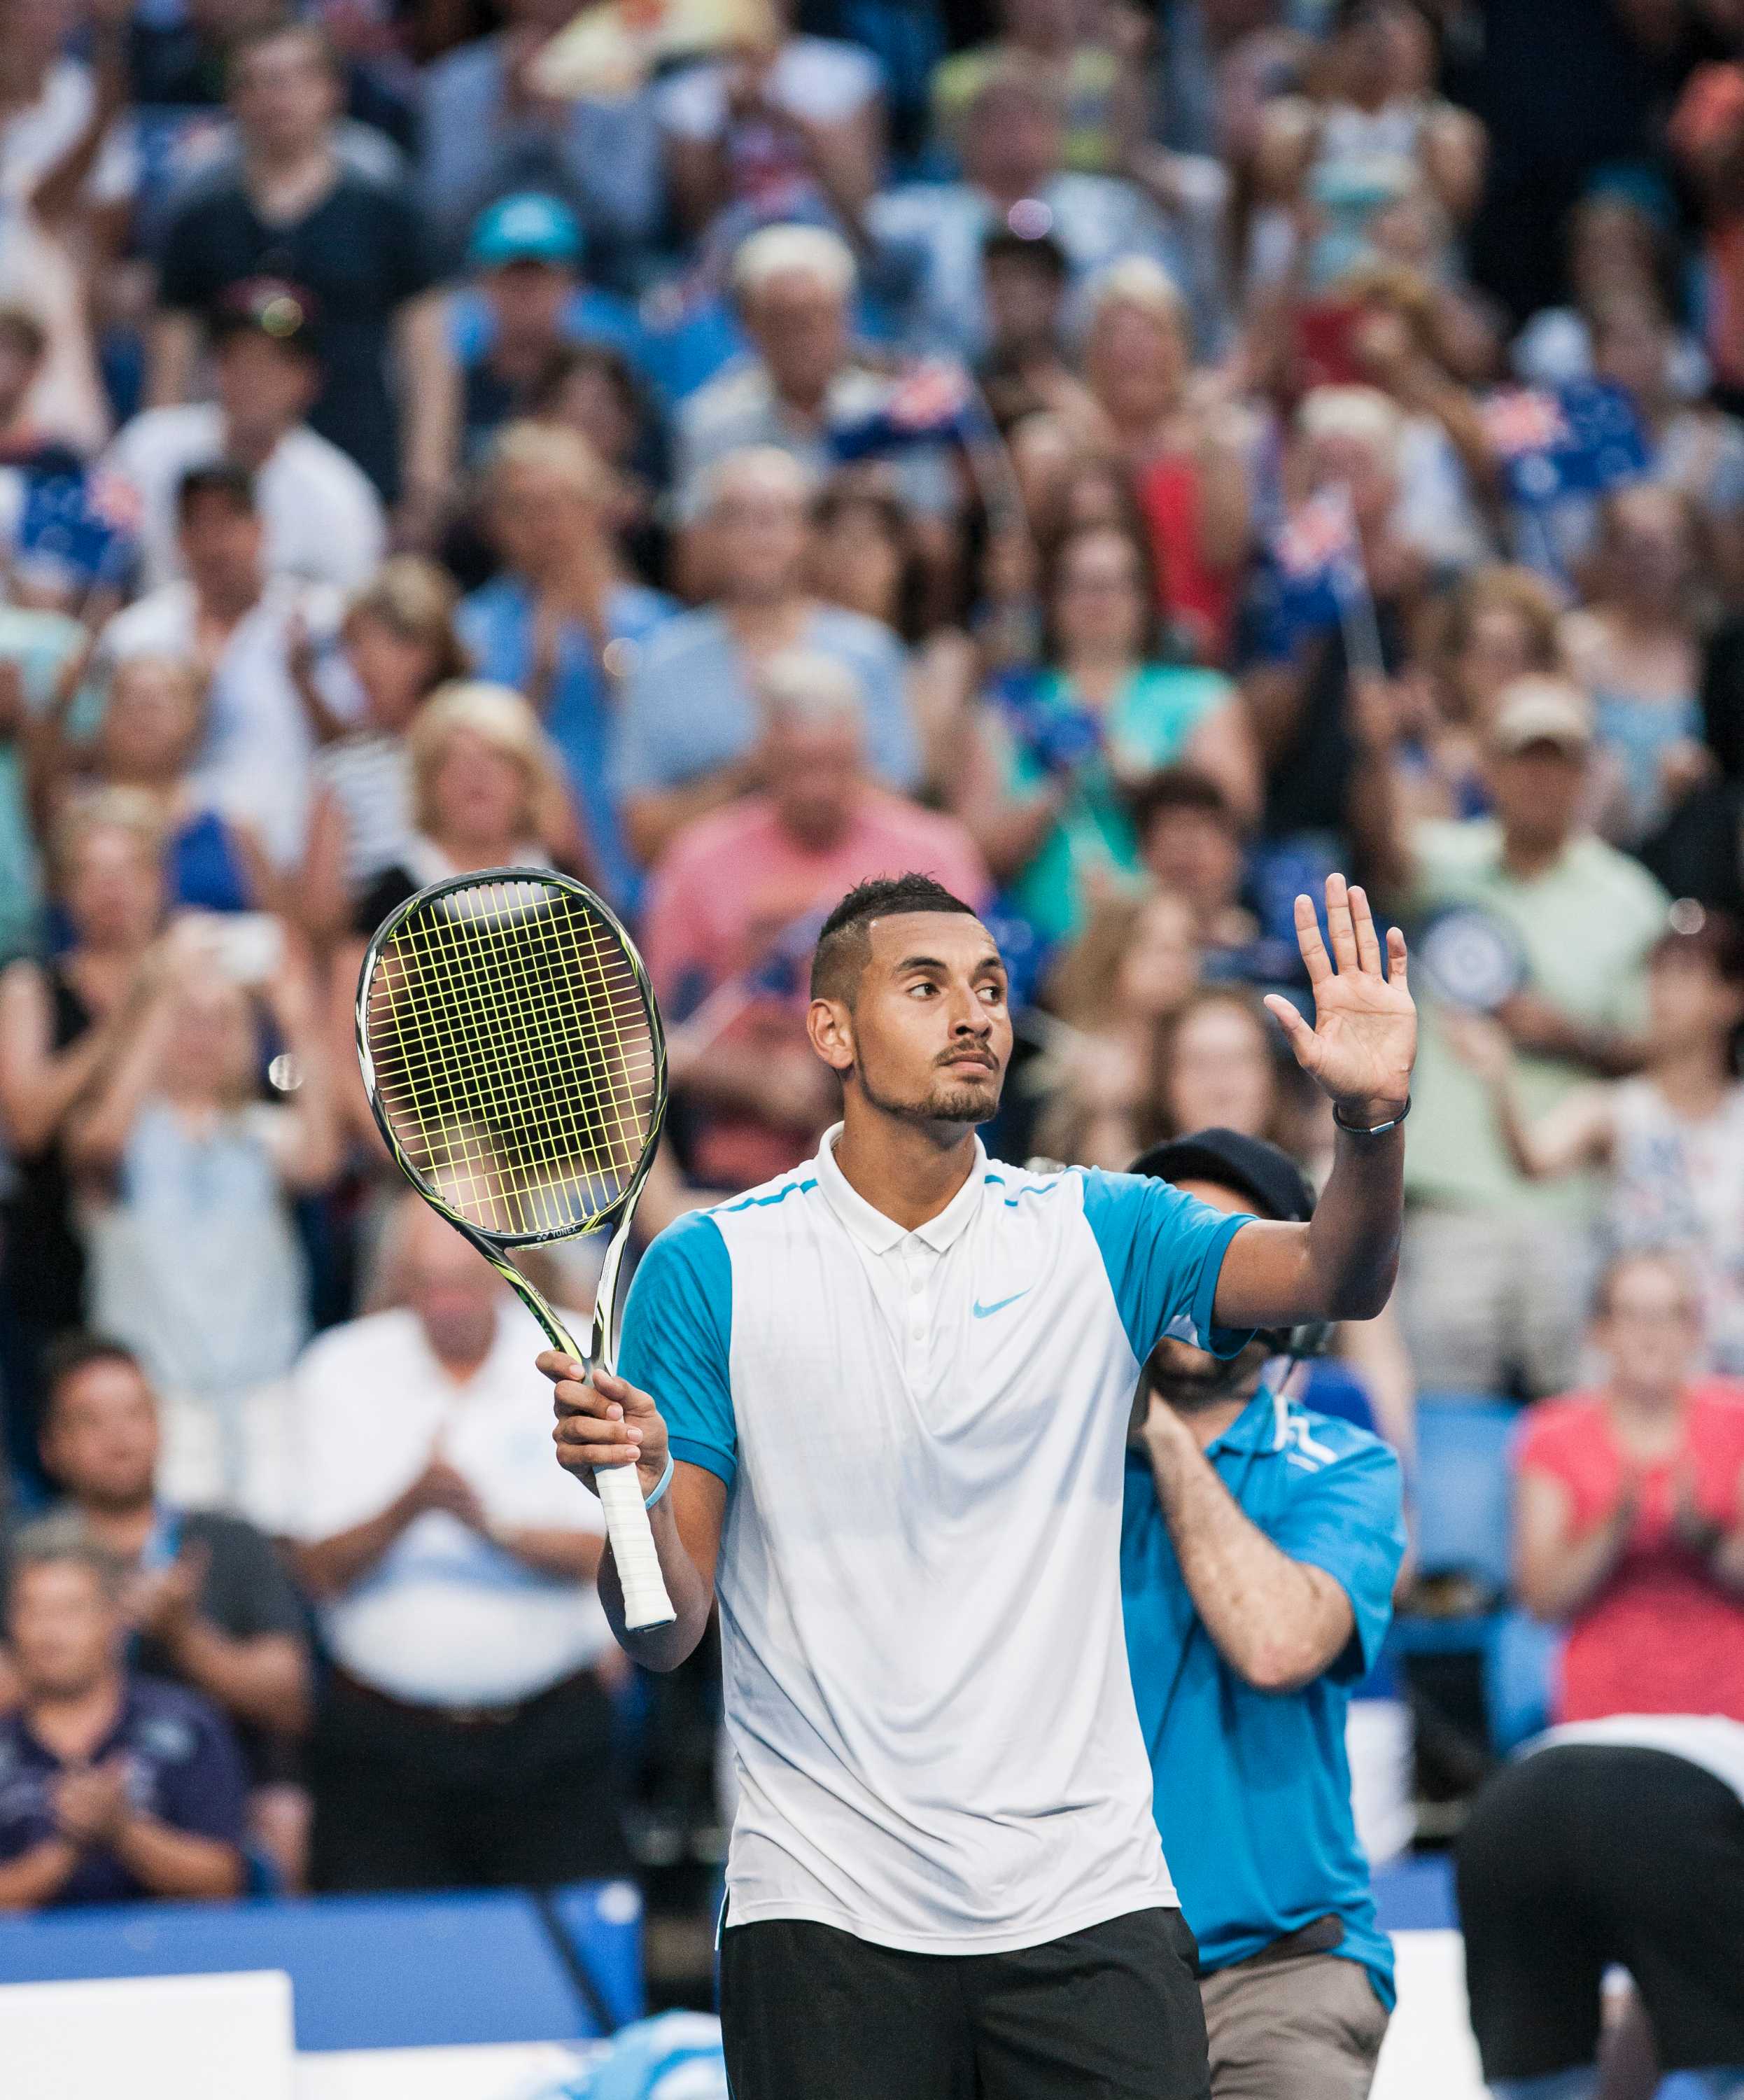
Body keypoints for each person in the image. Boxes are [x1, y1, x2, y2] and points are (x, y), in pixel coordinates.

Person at [542, 866, 1418, 2099]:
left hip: (1089, 1898)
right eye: (925, 985)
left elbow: (1339, 1274)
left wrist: (1369, 1125)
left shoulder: (1102, 1230)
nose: (975, 1014)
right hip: (823, 1904)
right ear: (831, 1030)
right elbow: (661, 1634)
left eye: (993, 987)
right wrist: (632, 1503)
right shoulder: (712, 1268)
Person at [1122, 1128, 1407, 2100]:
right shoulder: (1042, 1470)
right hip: (1071, 1971)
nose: (1196, 1281)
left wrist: (1158, 1433)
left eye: (1230, 1253)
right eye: (1175, 1251)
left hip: (1285, 1973)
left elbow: (1279, 1642)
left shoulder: (1346, 1465)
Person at [284, 1196, 624, 1893]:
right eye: (424, 1283)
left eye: (460, 1282)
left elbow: (614, 1548)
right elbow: (314, 1567)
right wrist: (408, 1506)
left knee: (571, 1971)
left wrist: (489, 1527)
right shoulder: (339, 1370)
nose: (443, 1303)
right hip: (384, 1743)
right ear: (397, 1281)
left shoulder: (574, 1356)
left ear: (503, 1270)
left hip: (551, 1736)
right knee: (383, 1973)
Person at [1382, 676, 1670, 1397]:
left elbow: (1660, 1049)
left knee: (1578, 1416)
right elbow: (1378, 852)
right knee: (1444, 1416)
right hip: (1449, 1204)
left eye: (1559, 760)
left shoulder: (1629, 898)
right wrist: (1376, 744)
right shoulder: (1438, 862)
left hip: (1569, 1209)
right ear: (1487, 767)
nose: (1539, 777)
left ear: (1586, 773)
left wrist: (1565, 1034)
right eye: (1522, 758)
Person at [642, 650, 991, 1193]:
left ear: (864, 755)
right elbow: (651, 1034)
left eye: (835, 765)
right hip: (734, 1169)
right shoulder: (699, 860)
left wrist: (845, 1083)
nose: (819, 788)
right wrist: (750, 1081)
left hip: (904, 1169)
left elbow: (981, 1016)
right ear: (763, 760)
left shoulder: (936, 852)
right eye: (799, 767)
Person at [65, 923, 338, 1510]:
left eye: (220, 1019)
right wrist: (160, 992)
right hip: (158, 1410)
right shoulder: (118, 1132)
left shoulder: (258, 1135)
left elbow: (321, 1161)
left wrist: (298, 1022)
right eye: (186, 1018)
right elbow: (98, 1149)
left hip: (268, 1402)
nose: (202, 1036)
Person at [30, 1334, 311, 1882]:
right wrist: (72, 1632)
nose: (118, 1438)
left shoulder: (225, 1542)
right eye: (91, 1420)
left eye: (136, 1413)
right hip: (41, 1808)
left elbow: (292, 1701)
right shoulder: (27, 1555)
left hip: (214, 1808)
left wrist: (184, 1637)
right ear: (51, 1445)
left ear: (161, 1426)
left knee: (281, 1817)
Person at [150, 23, 457, 522]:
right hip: (230, 476)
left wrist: (426, 475)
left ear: (331, 92)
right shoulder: (199, 217)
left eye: (292, 80)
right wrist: (161, 464)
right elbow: (172, 359)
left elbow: (426, 351)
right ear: (233, 98)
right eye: (256, 82)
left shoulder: (385, 209)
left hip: (358, 455)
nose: (276, 98)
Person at [1452, 909, 1744, 1377]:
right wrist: (1499, 1078)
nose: (1663, 993)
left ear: (1731, 997)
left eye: (1687, 974)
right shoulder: (1617, 1109)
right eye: (1657, 975)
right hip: (1629, 1371)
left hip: (1729, 1372)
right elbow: (1534, 1160)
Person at [611, 446, 920, 871]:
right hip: (716, 912)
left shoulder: (869, 651)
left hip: (850, 904)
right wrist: (749, 773)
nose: (760, 533)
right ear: (709, 535)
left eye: (778, 515)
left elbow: (902, 819)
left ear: (808, 533)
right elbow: (642, 837)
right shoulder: (661, 659)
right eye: (738, 516)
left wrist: (800, 769)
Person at [962, 517, 1258, 948]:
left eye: (1116, 584)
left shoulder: (1202, 694)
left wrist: (1139, 780)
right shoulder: (1009, 704)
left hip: (1168, 946)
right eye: (1080, 584)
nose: (1098, 601)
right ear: (1053, 598)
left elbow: (1235, 813)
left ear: (1145, 597)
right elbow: (970, 854)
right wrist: (1056, 784)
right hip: (1040, 951)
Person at [0, 795, 169, 1467]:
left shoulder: (199, 975)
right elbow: (29, 1123)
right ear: (64, 891)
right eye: (92, 873)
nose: (112, 890)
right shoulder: (31, 987)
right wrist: (138, 1011)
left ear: (158, 881)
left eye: (128, 870)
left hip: (175, 1261)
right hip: (57, 1267)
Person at [1513, 1250, 1744, 1726]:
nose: (1651, 1334)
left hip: (1727, 1706)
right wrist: (1615, 1524)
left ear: (1694, 1330)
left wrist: (1706, 1539)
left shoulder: (1735, 1420)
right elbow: (1542, 1600)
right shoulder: (1553, 1432)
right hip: (1602, 1711)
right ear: (1599, 1331)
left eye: (1669, 1315)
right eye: (1633, 1315)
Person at [460, 421, 673, 907]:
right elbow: (477, 756)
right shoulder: (473, 626)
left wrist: (600, 634)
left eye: (563, 505)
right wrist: (540, 669)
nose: (548, 526)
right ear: (498, 522)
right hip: (522, 890)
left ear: (597, 511)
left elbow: (662, 741)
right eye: (526, 509)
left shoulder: (656, 624)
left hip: (641, 866)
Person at [95, 462, 343, 867]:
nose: (215, 542)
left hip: (286, 856)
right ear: (179, 540)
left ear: (261, 529)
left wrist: (304, 683)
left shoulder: (317, 622)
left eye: (229, 523)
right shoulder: (136, 634)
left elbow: (356, 751)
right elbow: (98, 753)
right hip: (158, 862)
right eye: (199, 526)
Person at [0, 1521, 247, 1909]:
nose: (49, 1633)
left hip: (169, 1958)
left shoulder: (185, 1727)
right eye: (33, 1610)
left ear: (115, 1618)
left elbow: (226, 1882)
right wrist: (65, 1852)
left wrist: (124, 1831)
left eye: (70, 1611)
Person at [102, 279, 386, 594]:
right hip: (149, 638)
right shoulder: (146, 448)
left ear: (308, 379)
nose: (251, 378)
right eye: (235, 358)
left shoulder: (339, 496)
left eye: (270, 363)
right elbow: (90, 567)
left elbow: (353, 624)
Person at [674, 225, 957, 532]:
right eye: (781, 319)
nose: (801, 338)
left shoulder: (897, 413)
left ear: (847, 318)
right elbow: (695, 544)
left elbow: (935, 535)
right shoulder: (709, 422)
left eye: (816, 317)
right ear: (747, 324)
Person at [418, 0, 664, 274]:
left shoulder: (623, 82)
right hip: (481, 275)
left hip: (598, 277)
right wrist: (508, 124)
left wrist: (563, 134)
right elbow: (440, 223)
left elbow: (633, 224)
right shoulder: (454, 82)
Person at [295, 558, 470, 944]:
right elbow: (320, 918)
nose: (354, 667)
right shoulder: (341, 772)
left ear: (421, 651)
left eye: (364, 644)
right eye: (348, 648)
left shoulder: (495, 745)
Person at [451, 192, 644, 468]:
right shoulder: (455, 391)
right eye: (512, 274)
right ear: (483, 283)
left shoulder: (609, 386)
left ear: (572, 283)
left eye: (540, 275)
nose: (526, 290)